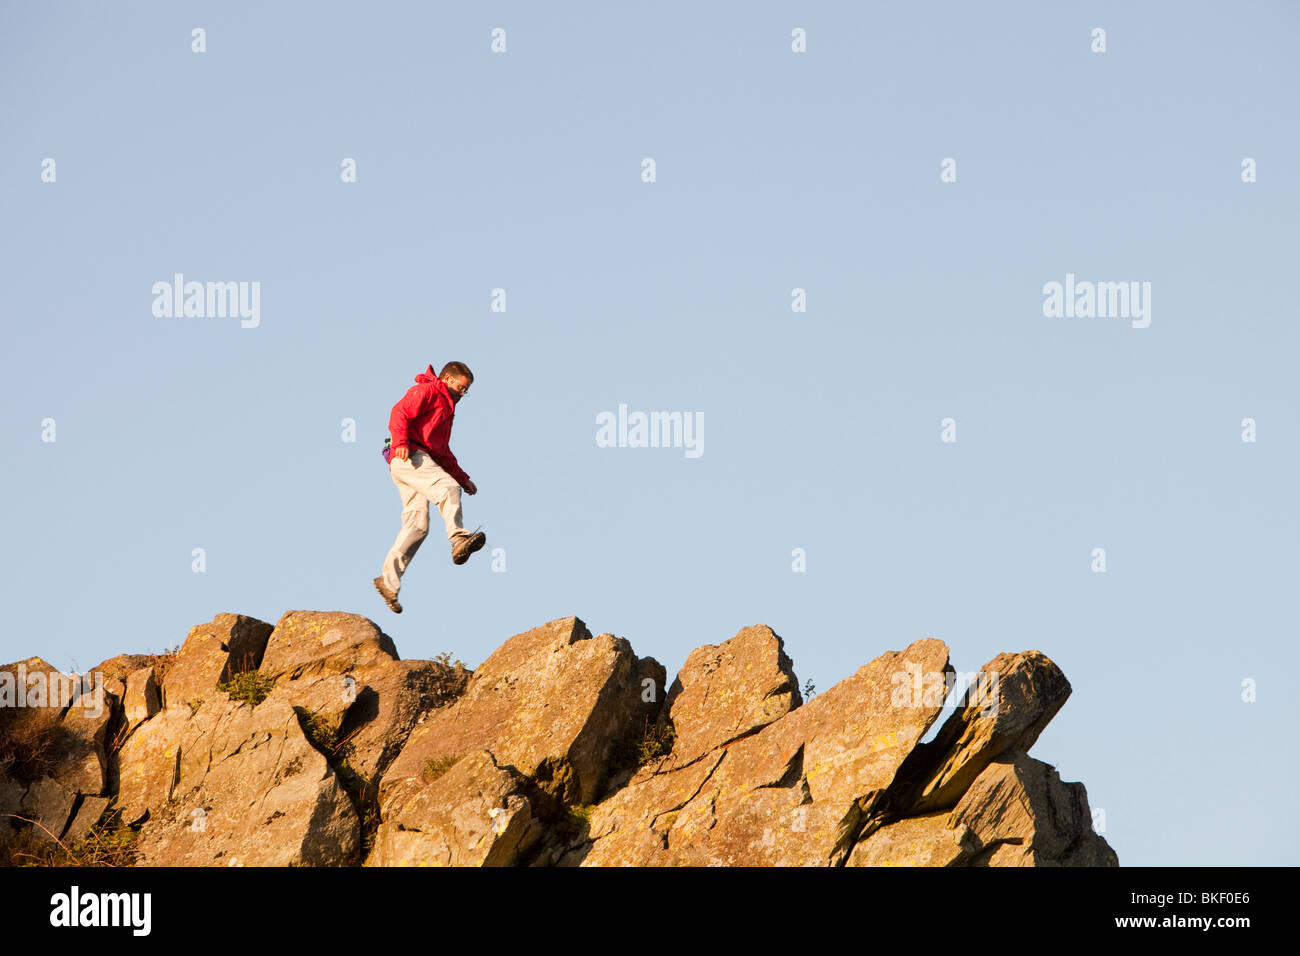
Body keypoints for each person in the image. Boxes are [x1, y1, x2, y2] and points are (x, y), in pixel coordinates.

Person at [373, 361, 485, 613]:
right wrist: (400, 441)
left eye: (467, 390)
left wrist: (462, 477)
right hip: (408, 454)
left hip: (414, 460)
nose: (463, 393)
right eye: (460, 387)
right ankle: (458, 538)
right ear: (446, 378)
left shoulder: (447, 410)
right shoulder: (428, 391)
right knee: (447, 489)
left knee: (417, 524)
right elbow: (399, 412)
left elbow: (441, 452)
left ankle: (388, 582)